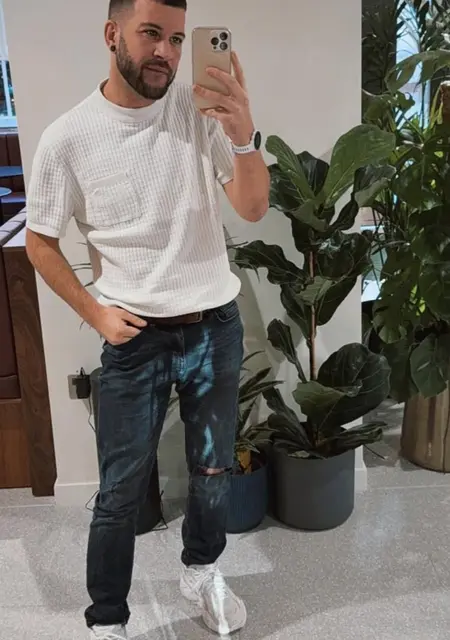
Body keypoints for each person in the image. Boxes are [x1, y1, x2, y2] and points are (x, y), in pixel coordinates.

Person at [25, 0, 269, 637]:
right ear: (113, 34)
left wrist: (243, 134)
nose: (166, 51)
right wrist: (96, 314)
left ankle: (201, 570)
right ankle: (107, 618)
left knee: (213, 470)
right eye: (151, 34)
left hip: (213, 325)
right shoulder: (68, 137)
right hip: (134, 339)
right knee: (120, 491)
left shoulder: (200, 112)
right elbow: (39, 242)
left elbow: (251, 206)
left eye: (178, 39)